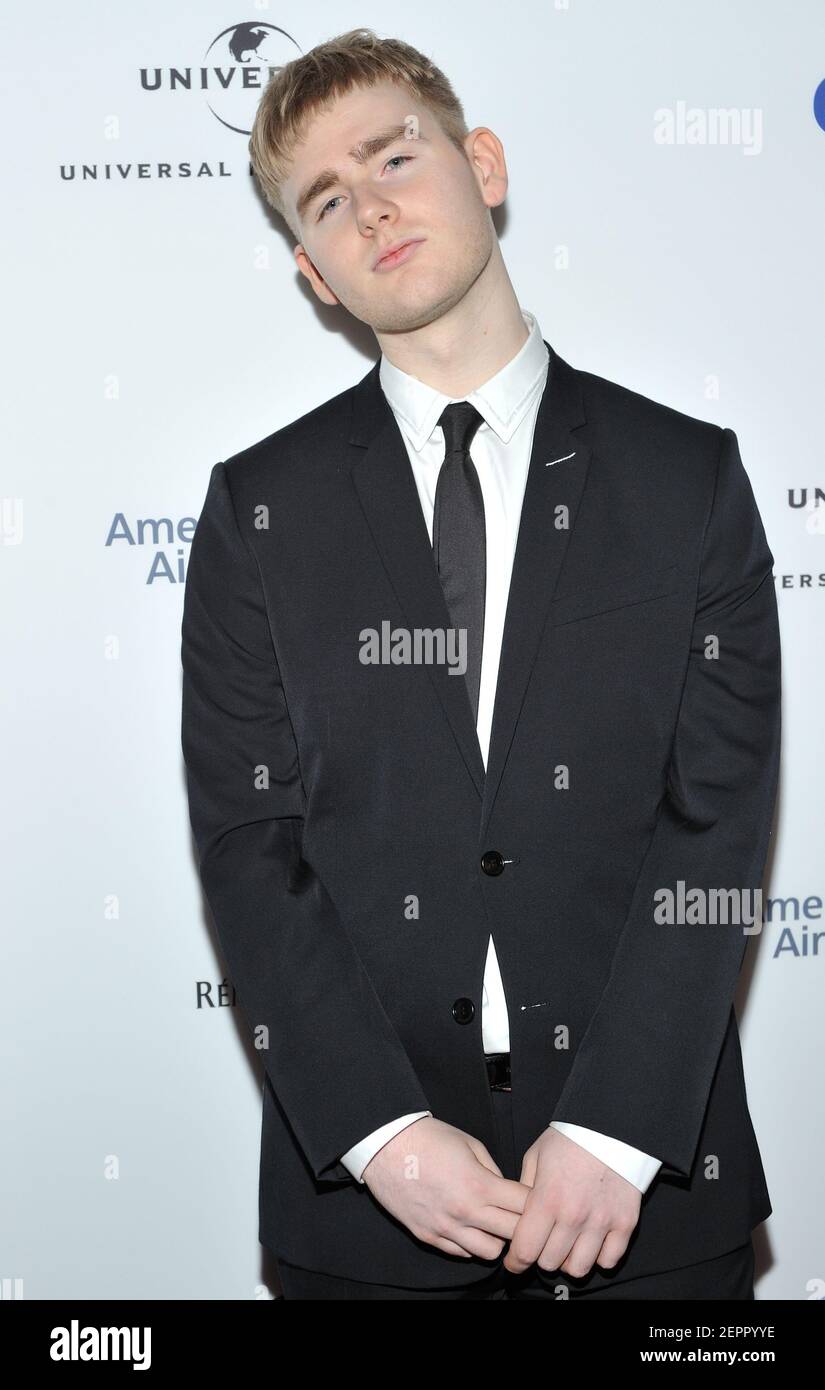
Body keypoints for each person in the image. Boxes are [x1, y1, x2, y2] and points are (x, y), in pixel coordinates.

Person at [180, 28, 780, 1300]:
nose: (373, 206)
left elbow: (716, 824)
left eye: (395, 154)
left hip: (653, 1206)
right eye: (329, 201)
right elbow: (248, 842)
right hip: (366, 1224)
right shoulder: (258, 509)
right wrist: (381, 1135)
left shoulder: (688, 480)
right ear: (314, 272)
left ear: (484, 165)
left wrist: (618, 1133)